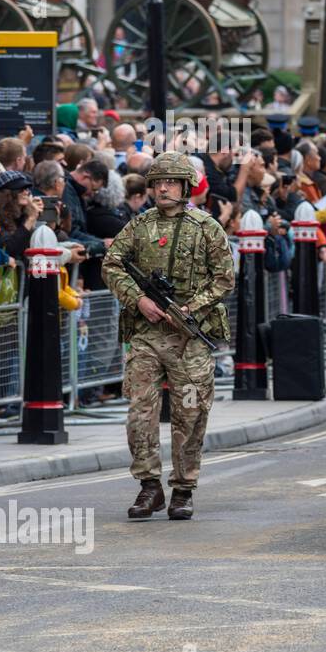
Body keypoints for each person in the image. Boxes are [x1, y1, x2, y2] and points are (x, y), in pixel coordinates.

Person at [102, 153, 235, 521]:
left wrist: (192, 308)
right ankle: (149, 487)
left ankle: (183, 488)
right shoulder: (139, 226)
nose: (163, 188)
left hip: (190, 340)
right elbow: (111, 264)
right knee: (140, 413)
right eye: (158, 182)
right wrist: (139, 299)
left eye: (172, 182)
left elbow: (225, 278)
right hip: (146, 335)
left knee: (190, 414)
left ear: (185, 187)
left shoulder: (207, 227)